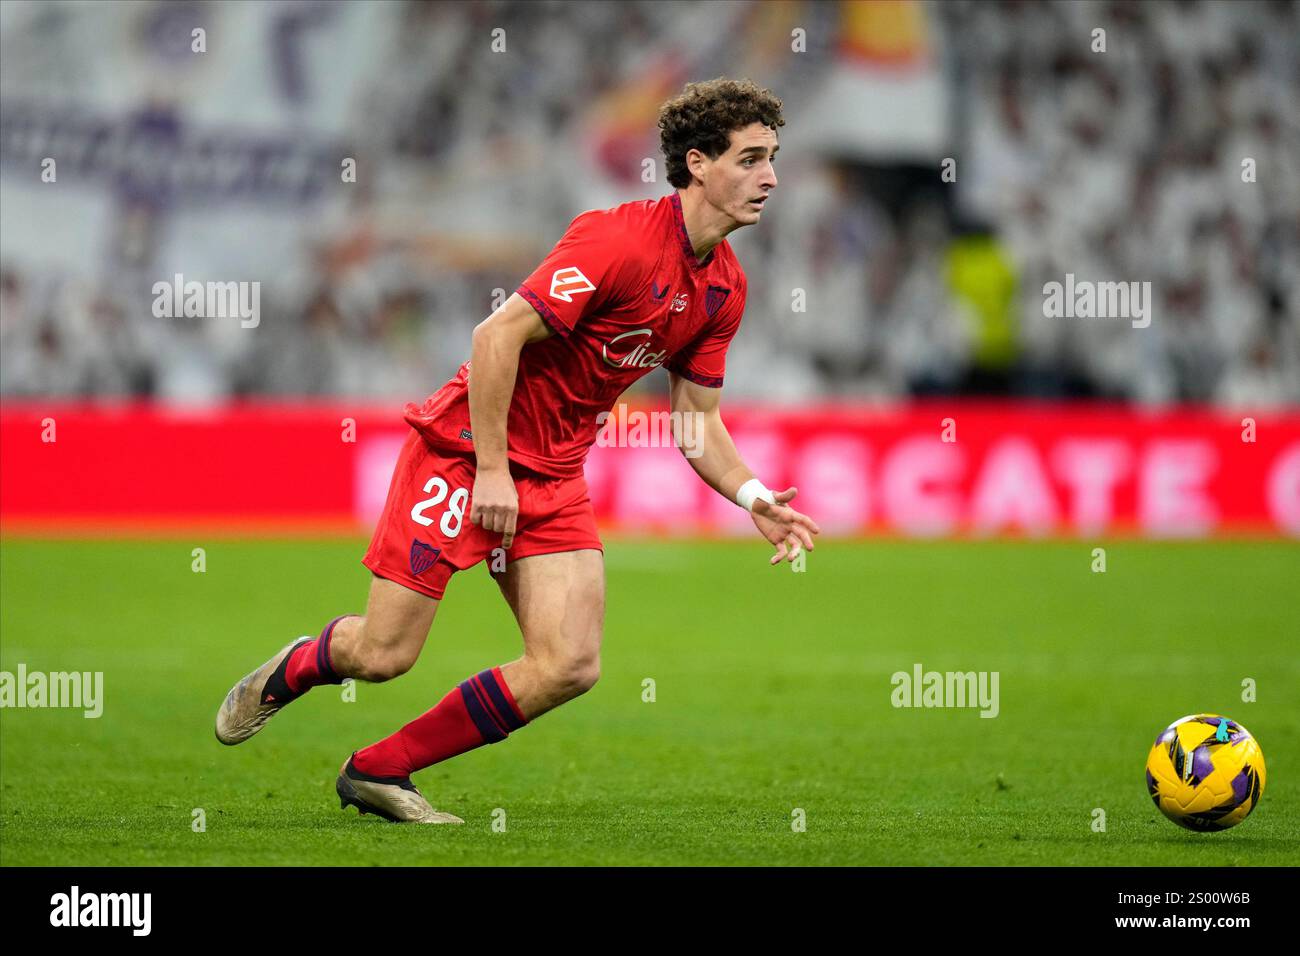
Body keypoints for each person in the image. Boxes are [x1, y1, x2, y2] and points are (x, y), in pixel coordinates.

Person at [215, 77, 820, 823]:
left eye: (774, 158)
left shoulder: (725, 289)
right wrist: (494, 471)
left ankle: (380, 769)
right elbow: (494, 336)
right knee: (382, 656)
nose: (771, 177)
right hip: (467, 452)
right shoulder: (617, 239)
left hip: (556, 475)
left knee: (570, 663)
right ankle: (298, 665)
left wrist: (757, 498)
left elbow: (696, 422)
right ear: (698, 163)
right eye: (752, 158)